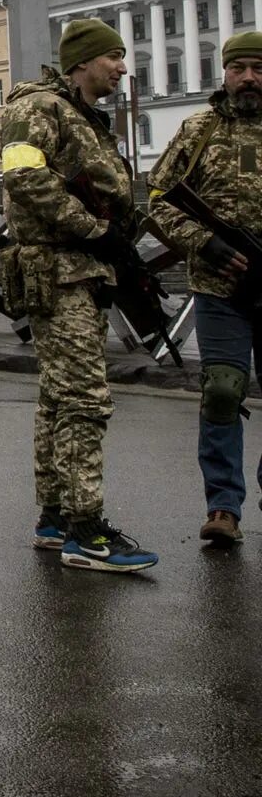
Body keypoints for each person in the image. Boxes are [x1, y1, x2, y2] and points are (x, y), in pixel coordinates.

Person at [0, 18, 158, 572]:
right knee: (86, 399)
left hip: (83, 272)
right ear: (82, 61)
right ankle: (86, 532)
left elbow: (113, 196)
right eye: (113, 57)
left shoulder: (87, 119)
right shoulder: (38, 107)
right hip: (58, 269)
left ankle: (55, 518)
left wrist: (127, 240)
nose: (121, 67)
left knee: (58, 398)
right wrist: (95, 231)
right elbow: (24, 178)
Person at [147, 31, 262, 547]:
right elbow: (159, 197)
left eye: (258, 68)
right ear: (225, 73)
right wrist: (204, 242)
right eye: (239, 69)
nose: (249, 78)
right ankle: (223, 507)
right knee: (221, 392)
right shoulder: (199, 130)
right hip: (219, 289)